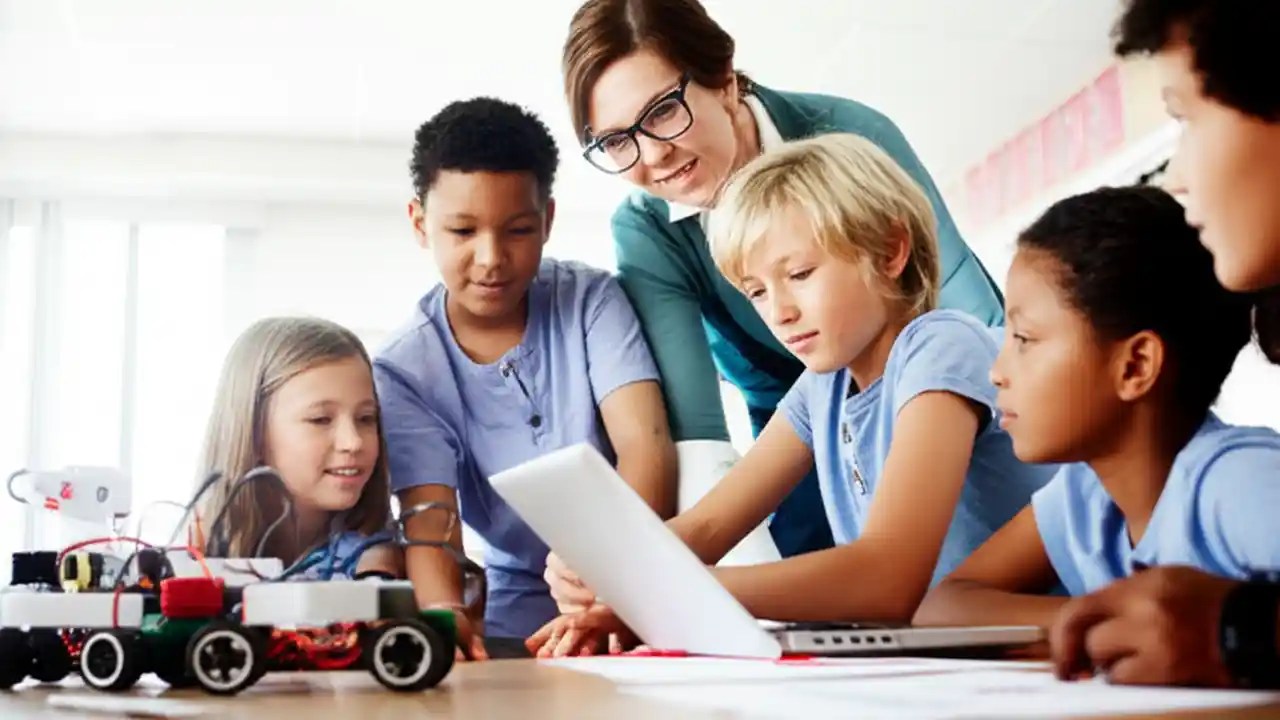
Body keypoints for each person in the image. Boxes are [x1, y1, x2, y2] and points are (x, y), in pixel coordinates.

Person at [529, 133, 1052, 657]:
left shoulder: (940, 345)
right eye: (755, 290)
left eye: (799, 274)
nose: (778, 311)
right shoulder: (823, 386)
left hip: (1041, 654)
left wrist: (660, 594)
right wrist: (608, 571)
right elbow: (708, 525)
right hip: (953, 662)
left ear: (890, 251)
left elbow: (886, 577)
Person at [559, 0, 1005, 559]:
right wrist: (622, 572)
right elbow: (699, 440)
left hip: (928, 383)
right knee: (809, 569)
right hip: (793, 416)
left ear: (725, 81)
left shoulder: (849, 139)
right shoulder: (648, 231)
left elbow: (970, 321)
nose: (654, 155)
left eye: (664, 111)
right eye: (618, 141)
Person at [914, 188, 1280, 687]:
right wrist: (1100, 620)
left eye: (1024, 340)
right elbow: (944, 605)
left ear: (1135, 366)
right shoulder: (1085, 497)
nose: (997, 372)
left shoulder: (1238, 481)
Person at [373, 97, 677, 660]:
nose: (491, 259)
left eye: (517, 230)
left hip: (638, 575)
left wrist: (617, 570)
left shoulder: (591, 300)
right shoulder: (403, 370)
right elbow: (430, 517)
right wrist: (445, 614)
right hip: (519, 608)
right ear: (420, 223)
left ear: (548, 220)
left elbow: (647, 446)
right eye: (462, 231)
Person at [1044, 0, 1280, 689]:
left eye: (1187, 118)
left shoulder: (1235, 475)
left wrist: (1243, 628)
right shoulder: (1079, 497)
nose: (1175, 175)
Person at [195, 316, 401, 581]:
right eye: (320, 420)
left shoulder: (385, 562)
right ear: (254, 432)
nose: (354, 442)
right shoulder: (194, 549)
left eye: (366, 418)